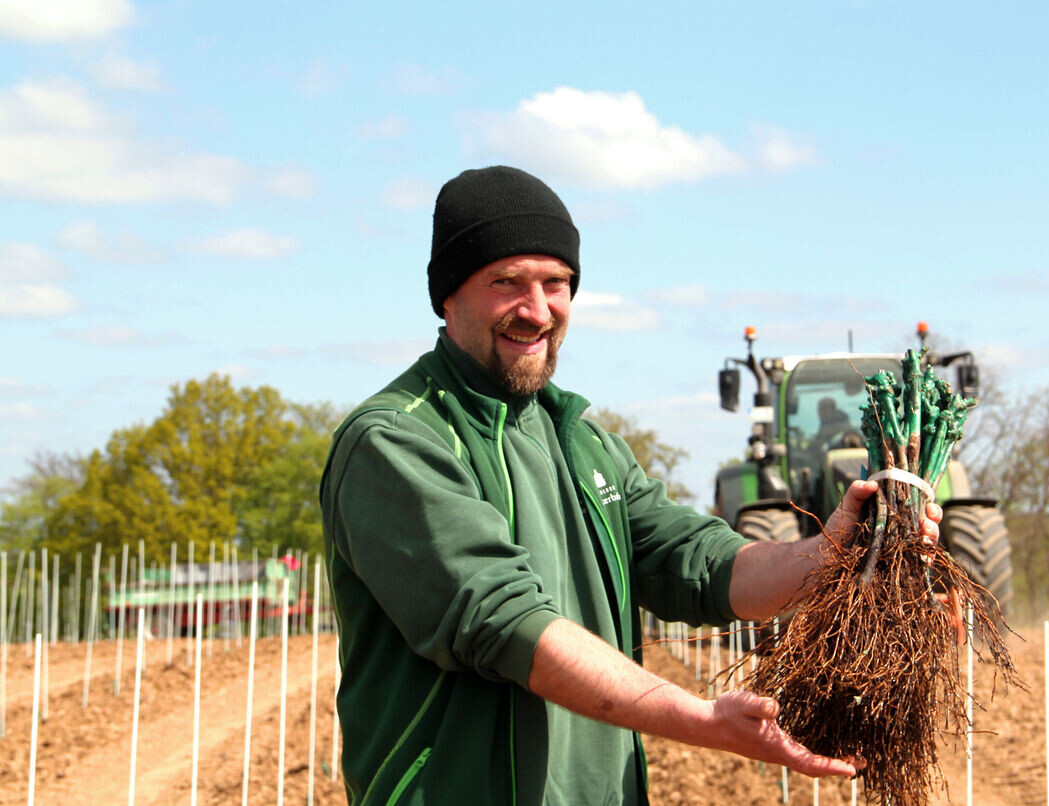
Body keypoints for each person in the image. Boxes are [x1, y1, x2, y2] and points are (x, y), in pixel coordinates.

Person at [319, 165, 941, 805]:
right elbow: (502, 621)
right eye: (505, 282)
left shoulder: (581, 439)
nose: (536, 311)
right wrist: (702, 720)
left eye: (555, 283)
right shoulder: (396, 440)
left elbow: (697, 563)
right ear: (448, 297)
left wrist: (831, 551)